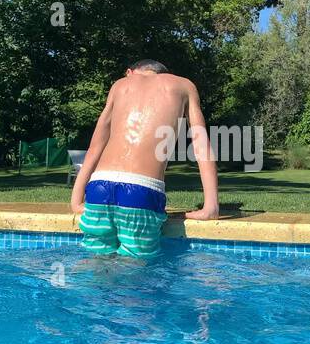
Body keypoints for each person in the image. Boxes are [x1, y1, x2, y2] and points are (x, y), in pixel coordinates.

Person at [70, 59, 219, 258]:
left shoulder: (119, 85)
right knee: (134, 272)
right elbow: (201, 147)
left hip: (99, 189)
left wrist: (76, 200)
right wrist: (211, 206)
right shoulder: (183, 85)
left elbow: (95, 146)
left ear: (130, 72)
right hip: (140, 192)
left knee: (94, 262)